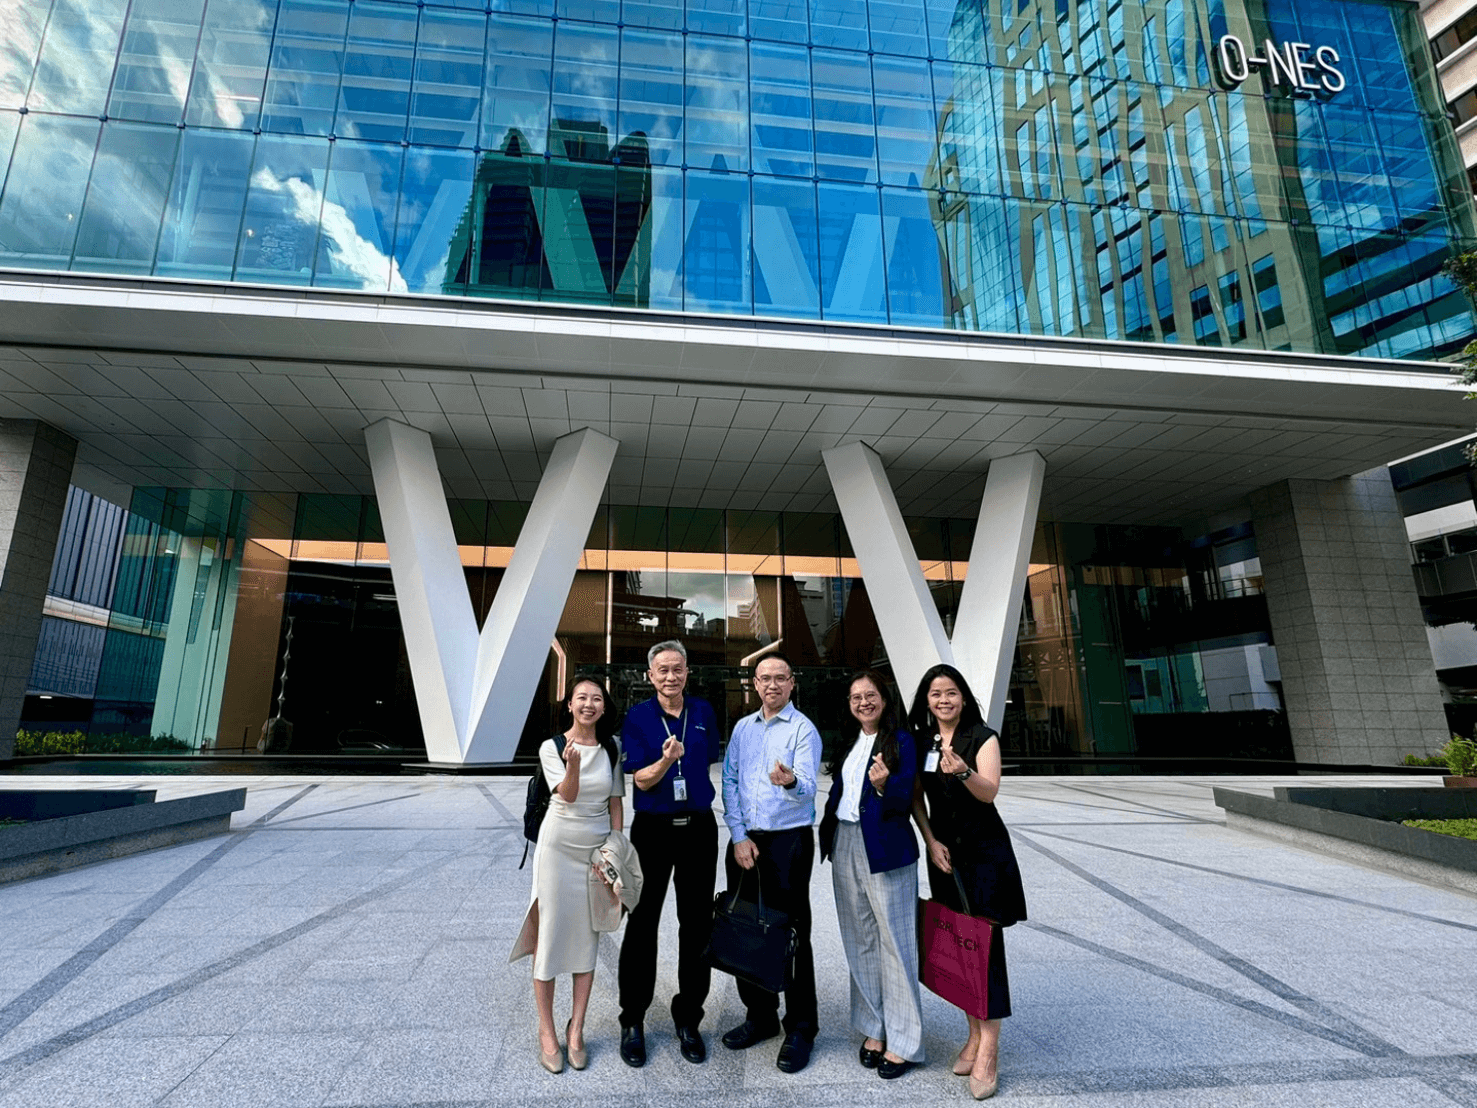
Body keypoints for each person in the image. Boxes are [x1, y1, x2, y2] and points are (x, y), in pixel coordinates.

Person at [909, 663, 1027, 1100]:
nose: (944, 700)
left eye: (951, 692)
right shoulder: (923, 741)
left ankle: (989, 1049)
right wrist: (930, 840)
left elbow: (989, 791)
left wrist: (962, 771)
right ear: (926, 700)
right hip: (945, 856)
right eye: (936, 693)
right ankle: (974, 1035)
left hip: (985, 855)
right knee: (961, 948)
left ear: (963, 697)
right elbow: (916, 799)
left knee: (986, 949)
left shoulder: (982, 737)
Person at [512, 675, 625, 1074]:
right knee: (550, 936)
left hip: (595, 852)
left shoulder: (613, 747)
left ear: (604, 707)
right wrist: (572, 765)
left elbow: (615, 804)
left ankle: (576, 1029)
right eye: (581, 698)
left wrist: (613, 851)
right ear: (570, 705)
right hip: (557, 850)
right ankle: (546, 1030)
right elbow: (569, 794)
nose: (589, 704)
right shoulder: (552, 747)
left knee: (586, 939)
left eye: (596, 698)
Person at [616, 639, 721, 1067]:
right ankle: (632, 1019)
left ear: (687, 672)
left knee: (696, 925)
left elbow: (708, 760)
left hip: (698, 828)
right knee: (642, 923)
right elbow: (640, 779)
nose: (671, 676)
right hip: (653, 831)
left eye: (677, 669)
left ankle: (689, 1018)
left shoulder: (703, 712)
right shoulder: (638, 717)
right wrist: (665, 762)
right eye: (663, 670)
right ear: (650, 676)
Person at [719, 651, 823, 1074]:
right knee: (746, 927)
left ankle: (801, 1026)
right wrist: (738, 835)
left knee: (793, 933)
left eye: (781, 677)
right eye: (765, 678)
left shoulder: (803, 729)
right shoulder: (743, 728)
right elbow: (728, 780)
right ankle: (760, 1015)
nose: (772, 685)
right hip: (746, 841)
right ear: (755, 684)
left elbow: (810, 787)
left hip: (788, 842)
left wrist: (791, 781)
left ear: (792, 683)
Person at [818, 669, 924, 1080]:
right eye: (855, 697)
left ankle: (904, 1040)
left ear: (884, 698)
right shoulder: (850, 742)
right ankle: (874, 1028)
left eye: (870, 695)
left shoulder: (902, 741)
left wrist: (883, 786)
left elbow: (906, 797)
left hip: (886, 847)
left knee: (895, 942)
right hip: (845, 841)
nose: (863, 702)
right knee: (858, 938)